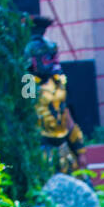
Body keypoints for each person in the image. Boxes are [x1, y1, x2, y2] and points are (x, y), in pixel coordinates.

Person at [26, 16, 86, 175]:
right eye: (47, 58)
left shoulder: (58, 81)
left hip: (63, 149)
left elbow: (67, 116)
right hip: (41, 149)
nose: (52, 62)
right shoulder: (29, 82)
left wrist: (80, 150)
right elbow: (26, 117)